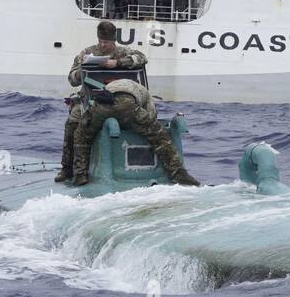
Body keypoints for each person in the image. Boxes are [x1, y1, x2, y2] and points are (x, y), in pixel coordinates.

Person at [55, 20, 146, 182]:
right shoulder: (87, 53)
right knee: (72, 123)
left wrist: (117, 63)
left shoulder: (122, 52)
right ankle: (67, 168)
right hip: (89, 99)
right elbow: (72, 79)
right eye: (101, 42)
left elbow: (141, 58)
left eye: (107, 42)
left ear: (113, 41)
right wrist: (81, 71)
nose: (103, 45)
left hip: (119, 100)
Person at [71, 76, 200, 187]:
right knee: (159, 136)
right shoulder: (144, 92)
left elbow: (103, 107)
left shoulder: (110, 86)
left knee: (82, 135)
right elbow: (151, 116)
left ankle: (80, 174)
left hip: (102, 104)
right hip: (126, 103)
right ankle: (177, 173)